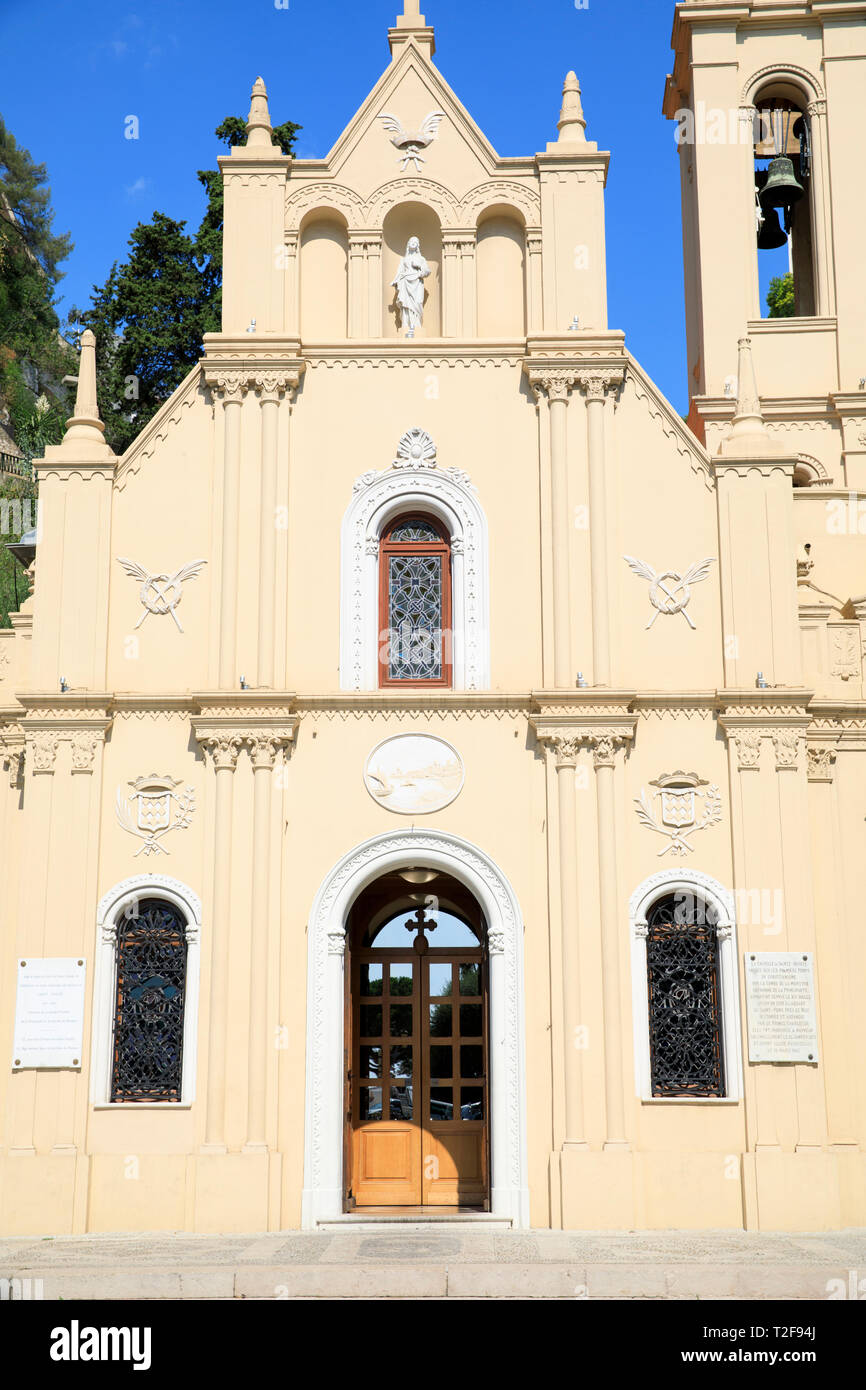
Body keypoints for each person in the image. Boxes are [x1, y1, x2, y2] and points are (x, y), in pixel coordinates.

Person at [391, 236, 430, 336]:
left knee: (417, 303)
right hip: (405, 282)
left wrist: (419, 266)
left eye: (415, 241)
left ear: (418, 245)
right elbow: (399, 272)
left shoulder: (421, 259)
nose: (413, 243)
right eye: (411, 241)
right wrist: (396, 282)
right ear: (408, 244)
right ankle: (406, 325)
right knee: (405, 305)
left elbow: (427, 271)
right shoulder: (404, 260)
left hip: (417, 283)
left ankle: (416, 325)